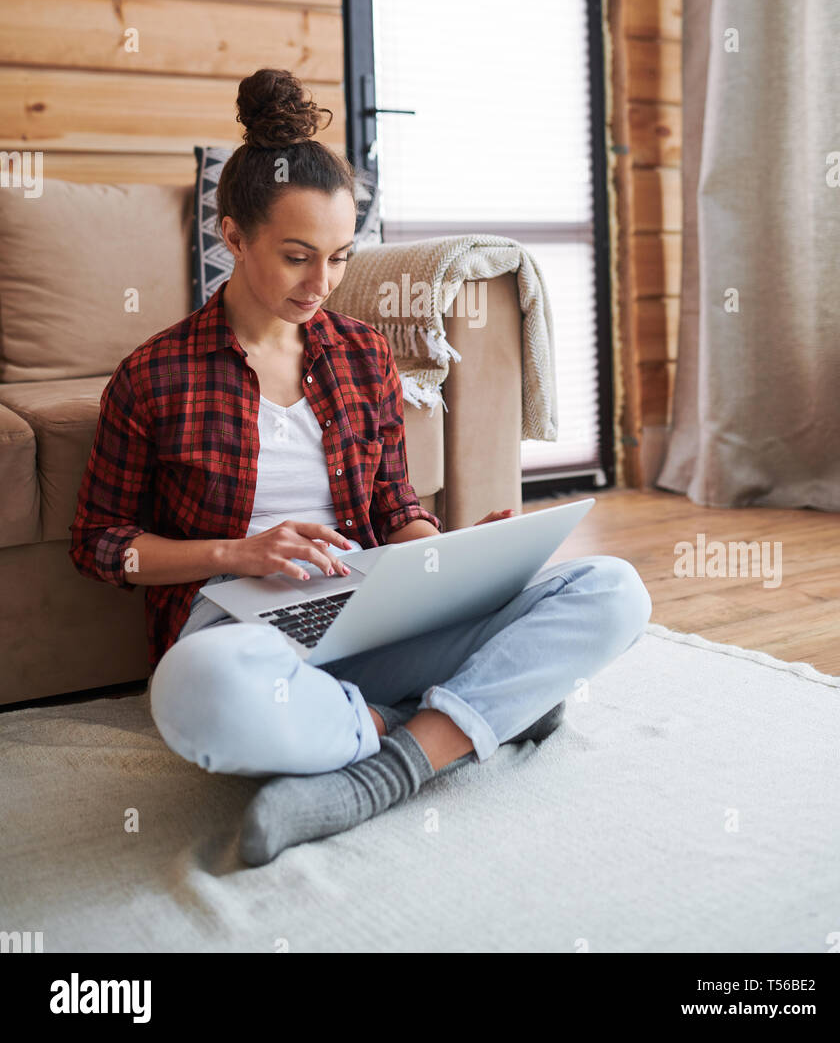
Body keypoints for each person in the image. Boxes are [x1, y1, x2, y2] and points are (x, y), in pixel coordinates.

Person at [69, 68, 652, 866]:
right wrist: (238, 553)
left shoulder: (361, 354)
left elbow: (393, 505)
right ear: (232, 237)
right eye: (298, 257)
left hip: (373, 606)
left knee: (612, 588)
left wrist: (450, 551)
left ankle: (384, 771)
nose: (323, 285)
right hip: (241, 633)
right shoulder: (155, 375)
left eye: (340, 258)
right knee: (190, 698)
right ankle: (455, 714)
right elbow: (102, 545)